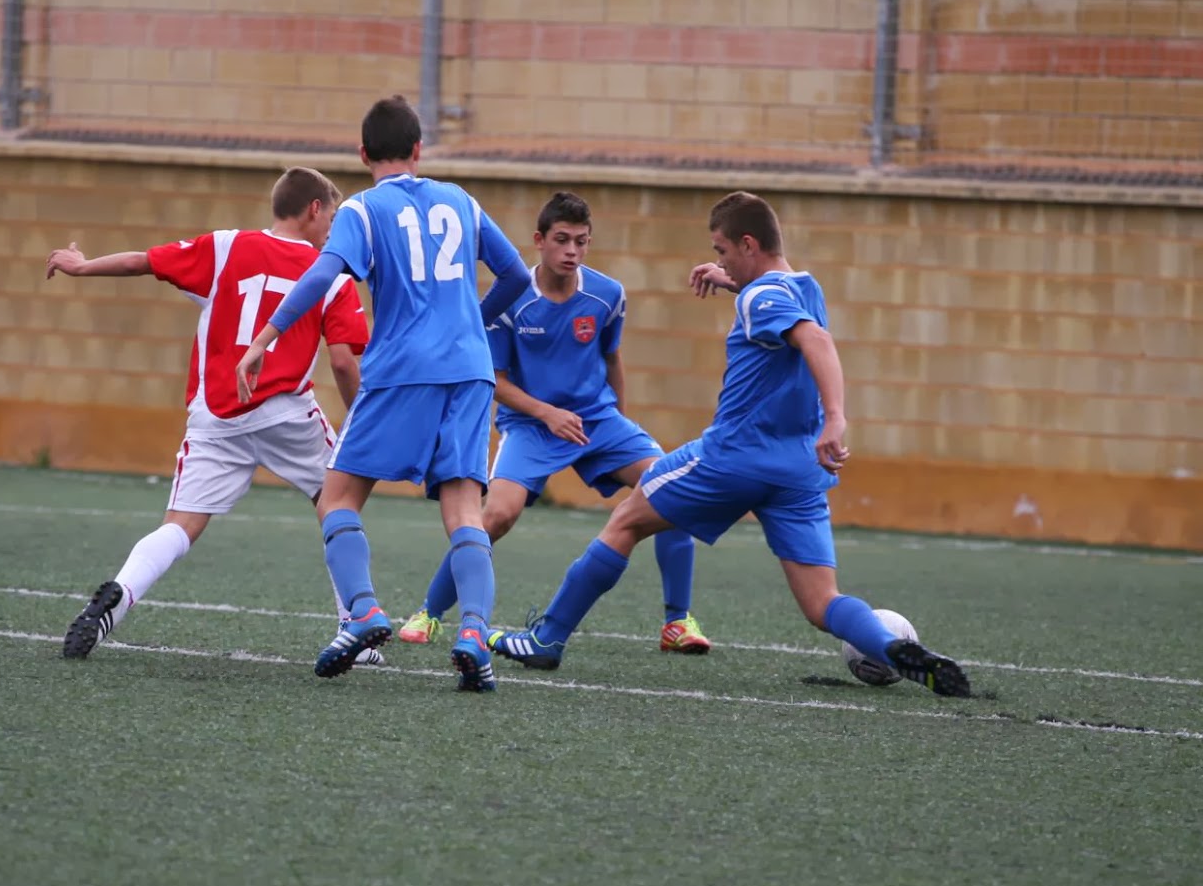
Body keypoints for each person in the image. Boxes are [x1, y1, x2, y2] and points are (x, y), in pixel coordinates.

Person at [489, 191, 971, 697]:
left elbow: (813, 340)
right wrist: (733, 281)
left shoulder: (760, 298)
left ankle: (547, 639)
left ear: (747, 243)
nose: (718, 261)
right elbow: (788, 316)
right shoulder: (806, 286)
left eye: (722, 251)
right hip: (799, 470)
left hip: (732, 458)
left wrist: (836, 417)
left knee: (626, 520)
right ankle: (889, 646)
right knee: (821, 602)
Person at [235, 95, 530, 692]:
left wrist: (266, 335)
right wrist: (471, 320)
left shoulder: (363, 210)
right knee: (464, 510)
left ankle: (364, 612)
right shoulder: (462, 201)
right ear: (419, 150)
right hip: (470, 372)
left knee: (338, 496)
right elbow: (518, 277)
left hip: (401, 369)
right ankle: (474, 634)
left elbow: (322, 273)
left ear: (362, 153)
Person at [46, 166, 384, 665]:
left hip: (216, 414)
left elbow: (144, 261)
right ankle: (353, 628)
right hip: (285, 412)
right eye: (331, 215)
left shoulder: (225, 246)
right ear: (315, 209)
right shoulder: (328, 270)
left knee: (179, 526)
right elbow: (342, 359)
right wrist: (364, 417)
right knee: (337, 503)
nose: (332, 227)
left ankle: (115, 599)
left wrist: (83, 265)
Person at [393, 191, 712, 655]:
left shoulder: (607, 294)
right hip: (530, 424)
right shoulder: (510, 299)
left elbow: (612, 358)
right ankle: (430, 611)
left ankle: (677, 622)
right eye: (562, 240)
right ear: (539, 240)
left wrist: (617, 420)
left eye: (581, 242)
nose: (572, 251)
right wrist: (547, 413)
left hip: (596, 421)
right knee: (497, 514)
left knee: (671, 489)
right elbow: (494, 380)